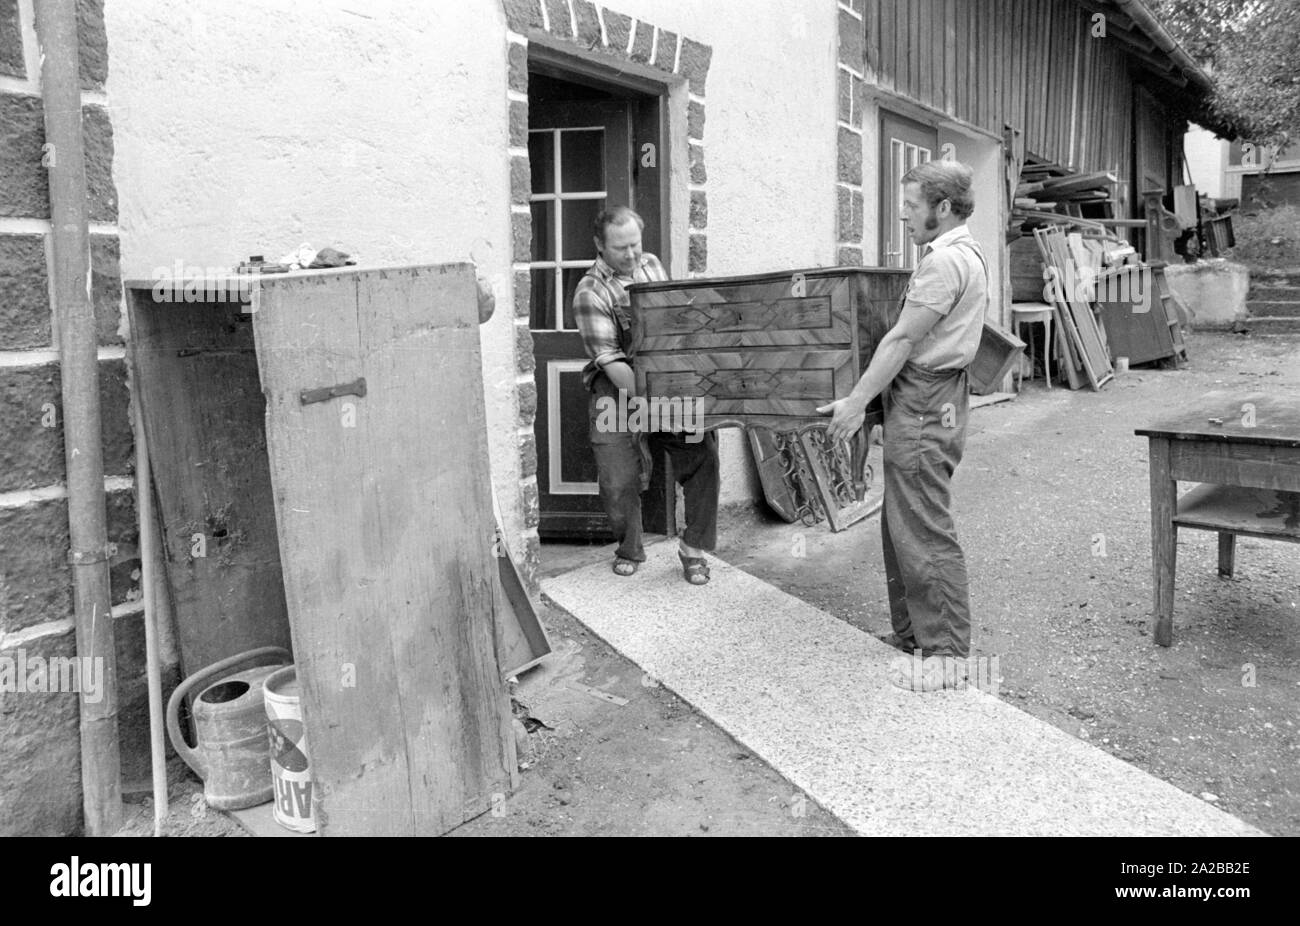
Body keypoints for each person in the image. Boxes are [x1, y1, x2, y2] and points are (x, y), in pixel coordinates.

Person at [818, 160, 989, 691]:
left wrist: (855, 403)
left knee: (922, 523)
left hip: (925, 397)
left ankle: (948, 653)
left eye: (912, 206)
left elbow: (900, 342)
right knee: (902, 520)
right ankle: (915, 633)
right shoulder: (965, 254)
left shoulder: (943, 264)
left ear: (942, 208)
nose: (904, 217)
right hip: (930, 395)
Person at [573, 206, 720, 585]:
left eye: (635, 244)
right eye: (620, 248)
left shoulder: (652, 265)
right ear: (600, 247)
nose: (632, 255)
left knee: (702, 453)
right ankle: (630, 546)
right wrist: (649, 401)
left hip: (664, 383)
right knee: (618, 477)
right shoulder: (590, 292)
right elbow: (610, 360)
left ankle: (693, 548)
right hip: (618, 389)